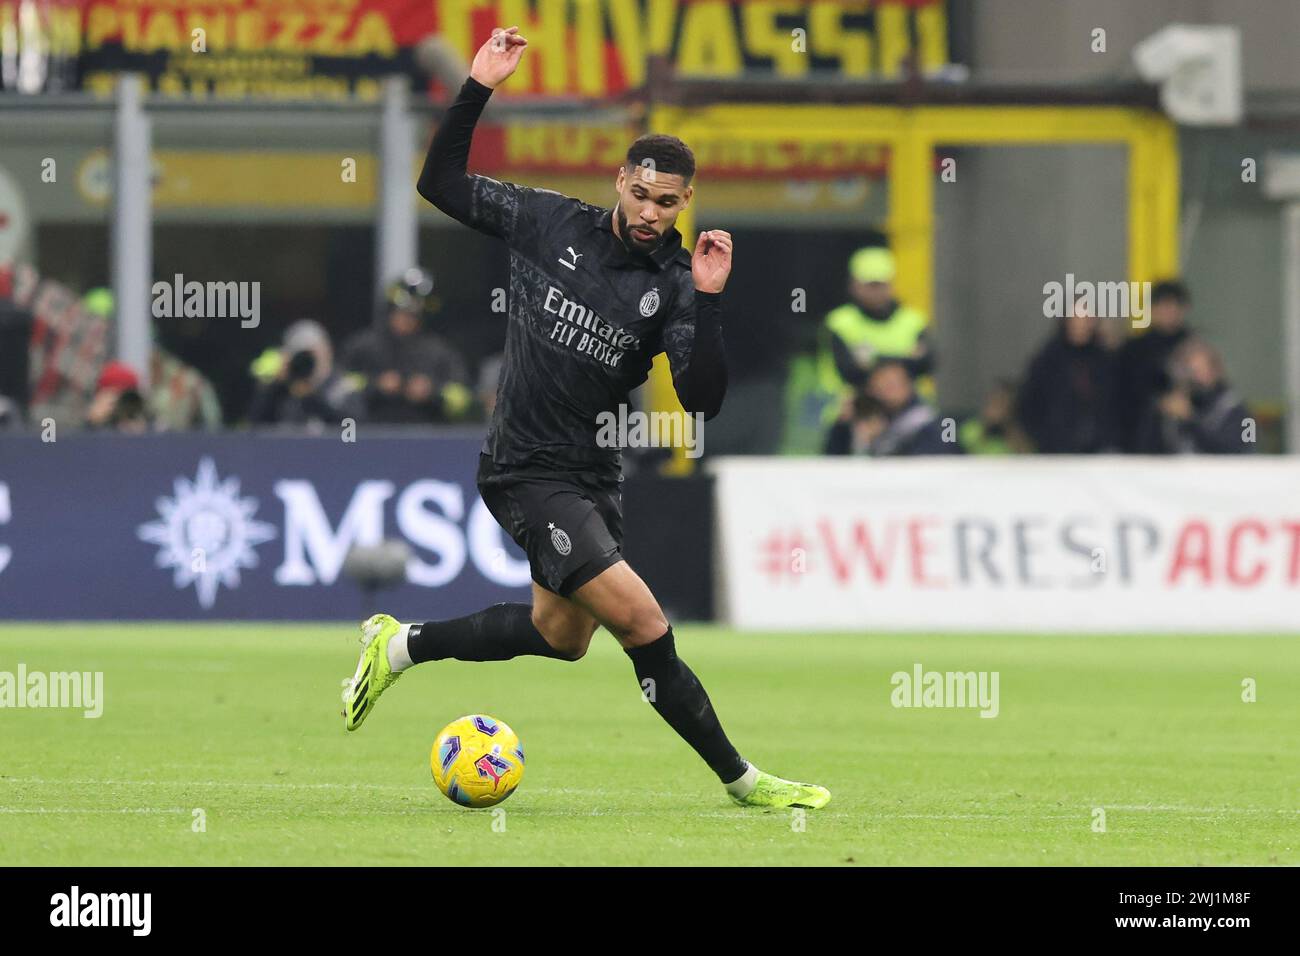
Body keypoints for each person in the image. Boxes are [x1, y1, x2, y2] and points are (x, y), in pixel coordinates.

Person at [341, 25, 829, 811]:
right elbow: (441, 183)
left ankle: (397, 646)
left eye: (665, 202)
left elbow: (701, 399)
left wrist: (707, 300)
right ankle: (742, 780)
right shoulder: (547, 221)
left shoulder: (674, 281)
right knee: (642, 620)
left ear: (685, 202)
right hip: (524, 470)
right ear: (620, 180)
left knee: (562, 638)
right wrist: (478, 88)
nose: (648, 212)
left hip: (593, 475)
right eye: (639, 194)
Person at [340, 268, 473, 425]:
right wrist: (375, 384)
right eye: (401, 312)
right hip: (371, 434)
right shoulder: (363, 346)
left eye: (413, 315)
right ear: (389, 311)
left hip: (425, 436)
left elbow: (463, 398)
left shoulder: (439, 351)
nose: (406, 319)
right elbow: (338, 387)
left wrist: (432, 391)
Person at [1017, 299, 1117, 453]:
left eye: (1088, 317)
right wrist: (1045, 437)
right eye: (1077, 317)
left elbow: (1114, 402)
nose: (1082, 323)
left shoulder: (1104, 359)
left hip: (1099, 451)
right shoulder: (1047, 360)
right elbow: (1028, 403)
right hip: (1056, 452)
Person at [1134, 337, 1251, 454]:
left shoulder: (1233, 408)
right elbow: (1145, 450)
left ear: (1216, 371)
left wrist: (1189, 420)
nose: (1193, 379)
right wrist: (1159, 418)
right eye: (1186, 372)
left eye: (1198, 371)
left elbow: (1233, 451)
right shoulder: (1172, 406)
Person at [1113, 279, 1192, 451]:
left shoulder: (1196, 350)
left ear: (1184, 309)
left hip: (1189, 446)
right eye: (1162, 306)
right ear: (1152, 309)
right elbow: (1122, 396)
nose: (1168, 312)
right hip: (1140, 445)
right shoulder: (1133, 351)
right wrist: (1160, 403)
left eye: (1173, 306)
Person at [248, 319, 361, 428]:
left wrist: (310, 398)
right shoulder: (283, 392)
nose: (307, 361)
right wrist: (276, 386)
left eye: (313, 353)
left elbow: (356, 432)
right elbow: (255, 429)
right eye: (301, 355)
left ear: (328, 352)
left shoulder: (345, 388)